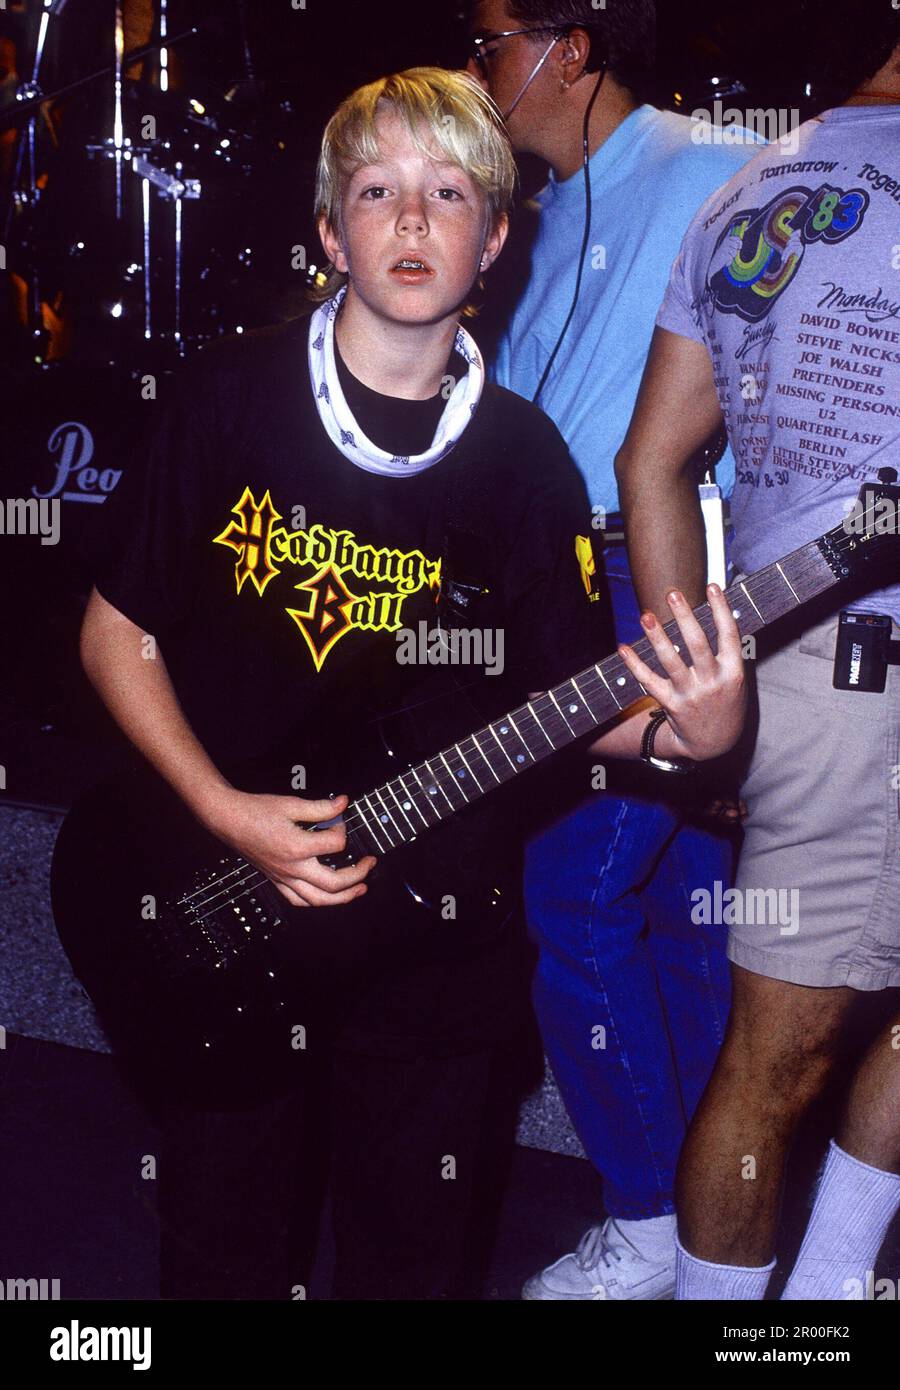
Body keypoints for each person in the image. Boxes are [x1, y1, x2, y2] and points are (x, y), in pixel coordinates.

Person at [75, 67, 747, 1300]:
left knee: (414, 1258)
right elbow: (116, 633)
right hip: (215, 892)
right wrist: (228, 813)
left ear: (496, 237)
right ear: (331, 228)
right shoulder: (231, 400)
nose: (413, 223)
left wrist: (676, 738)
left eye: (450, 194)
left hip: (432, 939)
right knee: (224, 1243)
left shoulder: (527, 465)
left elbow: (565, 704)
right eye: (377, 192)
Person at [464, 0, 762, 1300]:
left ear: (569, 48)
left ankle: (646, 1217)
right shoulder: (536, 214)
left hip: (673, 579)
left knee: (576, 903)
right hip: (571, 588)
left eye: (489, 40)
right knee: (687, 910)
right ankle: (709, 1225)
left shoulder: (713, 166)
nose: (479, 70)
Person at [616, 8, 900, 1300]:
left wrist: (702, 697)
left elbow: (653, 457)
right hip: (867, 689)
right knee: (774, 1064)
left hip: (790, 664)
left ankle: (833, 1282)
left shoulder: (757, 176)